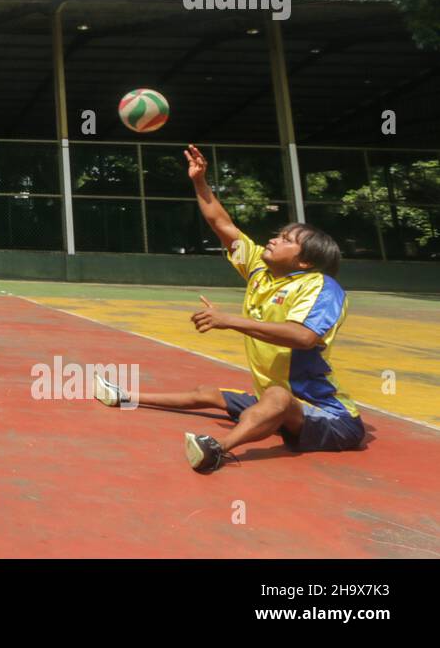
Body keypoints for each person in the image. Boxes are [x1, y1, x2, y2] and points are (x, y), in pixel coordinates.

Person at [93, 144, 364, 472]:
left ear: (305, 260)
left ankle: (215, 450)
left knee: (277, 398)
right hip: (276, 400)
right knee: (208, 393)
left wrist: (230, 321)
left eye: (287, 239)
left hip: (330, 416)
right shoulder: (259, 271)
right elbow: (222, 224)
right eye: (278, 234)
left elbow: (304, 337)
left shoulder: (322, 287)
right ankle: (126, 396)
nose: (275, 239)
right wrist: (199, 182)